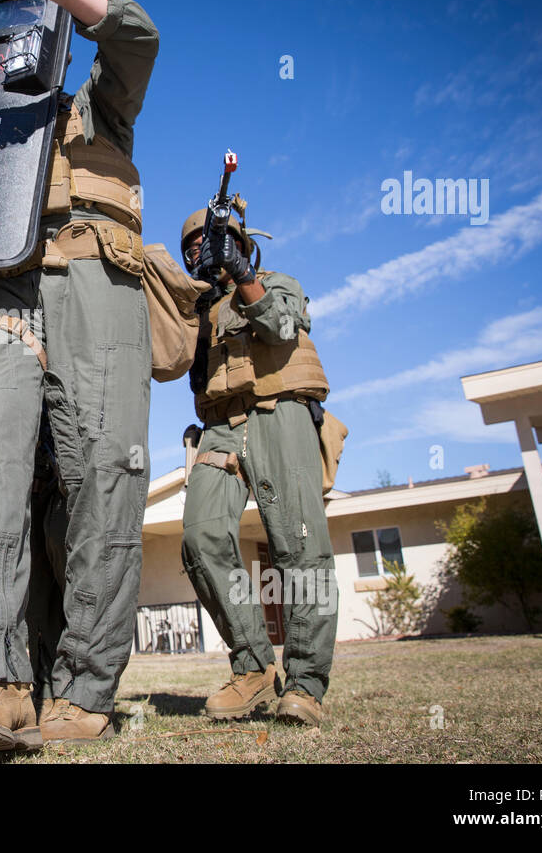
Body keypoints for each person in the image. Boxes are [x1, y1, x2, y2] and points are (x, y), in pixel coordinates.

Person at [0, 0, 159, 751]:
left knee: (102, 475)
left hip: (94, 280)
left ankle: (85, 688)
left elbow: (137, 33)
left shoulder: (101, 106)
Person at [177, 211, 339, 726]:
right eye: (191, 247)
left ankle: (306, 684)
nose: (199, 251)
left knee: (298, 543)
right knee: (199, 537)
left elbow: (282, 327)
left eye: (211, 242)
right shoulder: (196, 310)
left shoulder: (275, 283)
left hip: (281, 411)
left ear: (238, 243)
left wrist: (241, 273)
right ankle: (253, 667)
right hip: (221, 426)